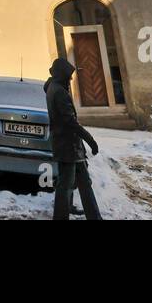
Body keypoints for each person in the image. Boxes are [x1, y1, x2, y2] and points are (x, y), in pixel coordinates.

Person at [44, 57, 103, 221]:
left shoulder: (53, 88)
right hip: (68, 147)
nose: (70, 79)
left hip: (71, 147)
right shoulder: (59, 92)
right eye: (68, 76)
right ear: (61, 75)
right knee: (65, 186)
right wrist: (90, 139)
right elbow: (70, 122)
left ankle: (94, 216)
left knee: (84, 184)